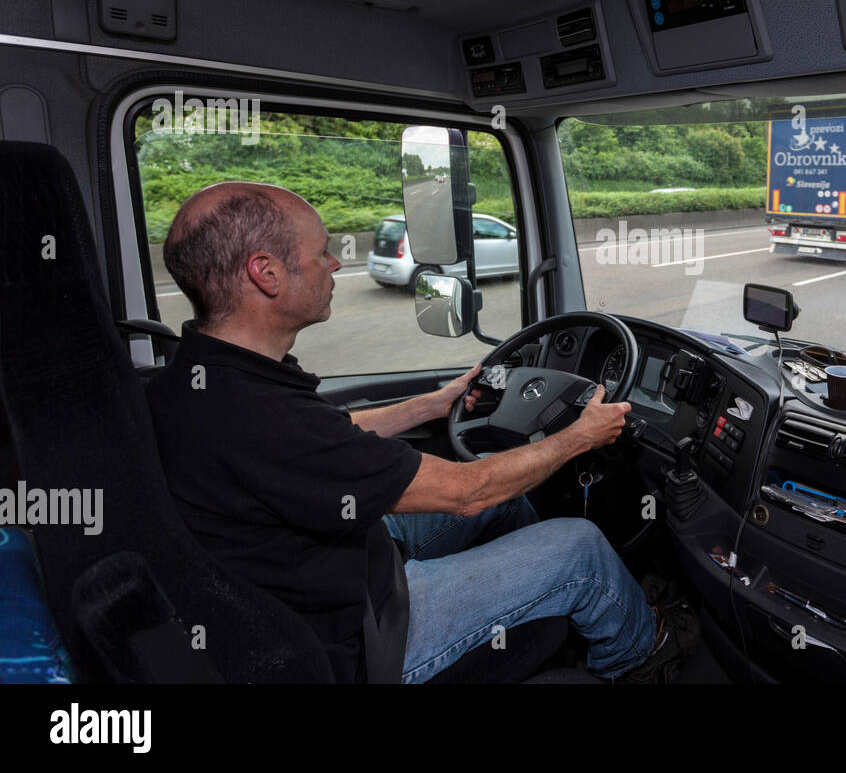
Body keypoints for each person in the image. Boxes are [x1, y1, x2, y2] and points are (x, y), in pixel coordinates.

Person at [146, 181, 694, 683]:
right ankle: (646, 653)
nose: (336, 263)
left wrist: (430, 406)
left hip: (326, 574)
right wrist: (578, 437)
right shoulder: (261, 413)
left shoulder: (202, 375)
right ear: (266, 274)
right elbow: (466, 492)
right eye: (321, 253)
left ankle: (534, 613)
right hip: (358, 640)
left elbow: (330, 435)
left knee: (506, 507)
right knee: (577, 546)